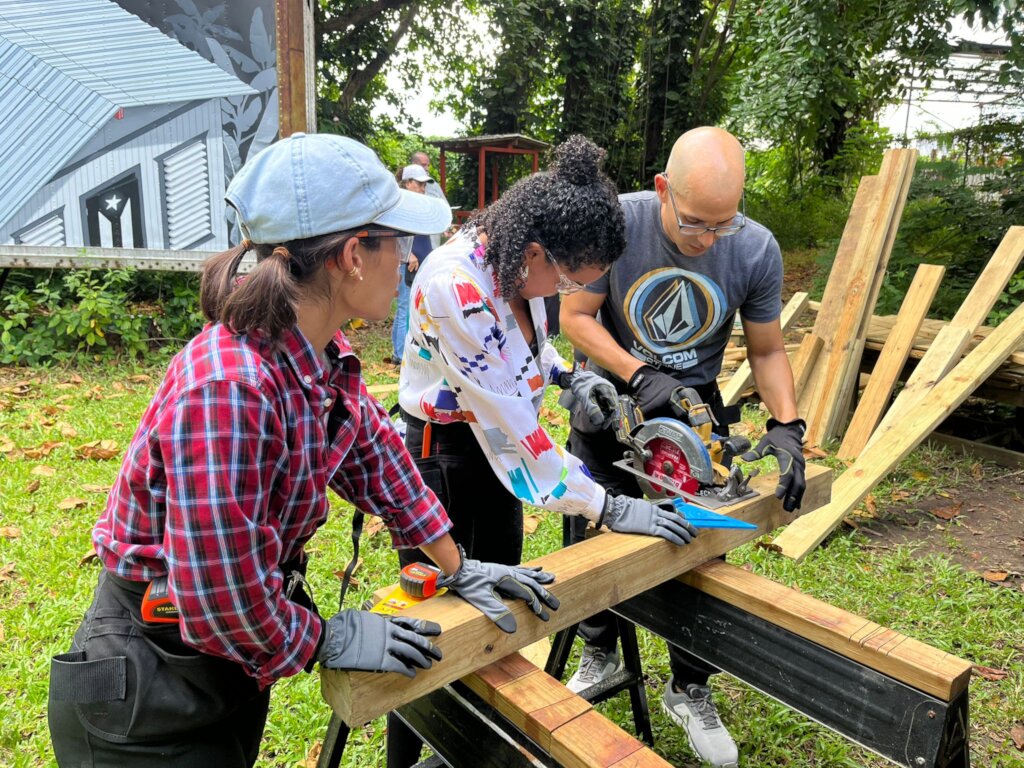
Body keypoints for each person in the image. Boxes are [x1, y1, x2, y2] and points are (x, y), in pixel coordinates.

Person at [46, 133, 561, 768]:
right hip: (151, 682)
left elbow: (379, 462)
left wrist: (458, 565)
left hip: (215, 661)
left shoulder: (320, 354)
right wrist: (322, 636)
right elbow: (218, 596)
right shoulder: (230, 389)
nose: (407, 261)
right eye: (396, 240)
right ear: (351, 255)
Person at [390, 135, 699, 767]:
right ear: (537, 253)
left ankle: (469, 751)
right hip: (444, 462)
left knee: (495, 621)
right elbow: (516, 434)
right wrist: (607, 507)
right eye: (568, 280)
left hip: (494, 462)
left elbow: (524, 352)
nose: (564, 293)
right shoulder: (455, 285)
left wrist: (565, 376)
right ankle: (416, 752)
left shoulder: (512, 267)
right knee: (436, 632)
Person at [559, 126, 807, 768]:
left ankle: (689, 687)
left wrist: (788, 425)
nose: (709, 240)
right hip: (610, 403)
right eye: (697, 223)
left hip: (695, 418)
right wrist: (639, 374)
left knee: (700, 549)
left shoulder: (754, 249)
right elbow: (575, 316)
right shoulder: (619, 224)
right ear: (663, 189)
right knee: (593, 537)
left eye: (724, 225)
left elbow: (769, 349)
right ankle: (599, 648)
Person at [387, 164, 435, 366]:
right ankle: (399, 354)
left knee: (418, 307)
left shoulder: (418, 204)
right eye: (419, 184)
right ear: (408, 183)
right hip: (409, 265)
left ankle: (408, 350)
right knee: (405, 308)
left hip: (423, 263)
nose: (423, 188)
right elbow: (395, 237)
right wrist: (409, 255)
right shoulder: (399, 206)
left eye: (425, 184)